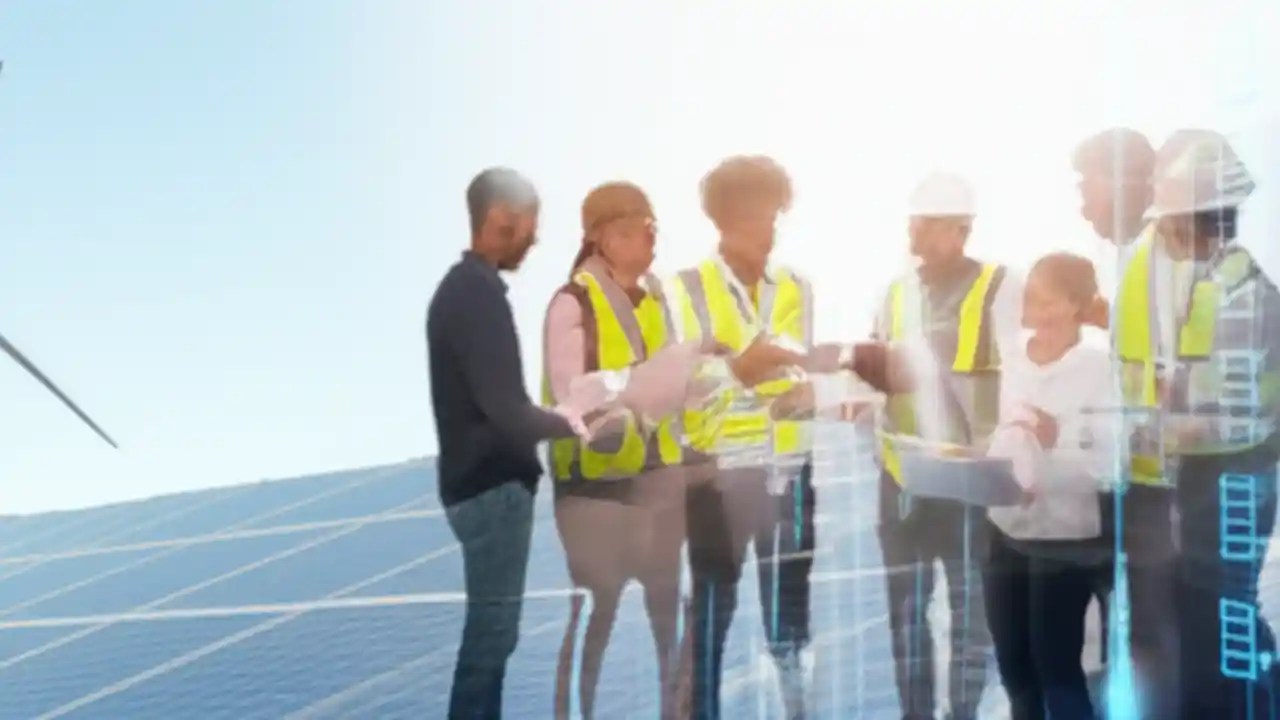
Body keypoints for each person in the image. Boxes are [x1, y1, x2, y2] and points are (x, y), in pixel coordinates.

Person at [426, 167, 596, 720]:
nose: (535, 238)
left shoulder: (462, 291)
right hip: (493, 490)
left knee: (492, 640)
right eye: (530, 226)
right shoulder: (475, 296)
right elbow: (506, 411)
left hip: (472, 487)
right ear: (505, 220)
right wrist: (569, 419)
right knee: (490, 643)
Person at [1123, 131, 1280, 719]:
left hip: (1233, 481)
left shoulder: (1238, 294)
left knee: (1225, 626)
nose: (1162, 234)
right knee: (1208, 619)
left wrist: (1155, 429)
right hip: (1214, 479)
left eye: (1166, 221)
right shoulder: (1218, 284)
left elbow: (1234, 417)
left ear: (1189, 220)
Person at [860, 172, 1022, 720]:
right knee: (905, 614)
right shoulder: (894, 291)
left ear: (962, 229)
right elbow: (877, 367)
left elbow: (1022, 373)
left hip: (968, 480)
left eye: (928, 223)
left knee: (971, 613)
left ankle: (963, 712)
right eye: (914, 220)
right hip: (903, 477)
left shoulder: (1001, 287)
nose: (916, 231)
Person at [664, 155, 816, 720]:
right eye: (760, 215)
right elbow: (676, 382)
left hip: (788, 473)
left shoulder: (797, 286)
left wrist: (803, 392)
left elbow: (800, 366)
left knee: (791, 626)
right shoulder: (683, 291)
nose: (771, 228)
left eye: (776, 214)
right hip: (716, 474)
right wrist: (737, 371)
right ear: (725, 219)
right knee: (709, 619)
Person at [542, 182, 694, 719]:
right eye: (628, 231)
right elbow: (571, 394)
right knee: (597, 615)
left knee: (668, 618)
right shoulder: (573, 302)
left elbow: (679, 384)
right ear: (597, 238)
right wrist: (636, 386)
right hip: (594, 490)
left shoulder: (659, 304)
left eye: (649, 230)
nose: (644, 242)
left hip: (659, 481)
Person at [1072, 127, 1182, 718]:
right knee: (1154, 629)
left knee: (1162, 633)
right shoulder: (1141, 254)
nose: (1082, 201)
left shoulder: (1160, 251)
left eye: (1086, 183)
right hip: (1146, 477)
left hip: (1163, 483)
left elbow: (1176, 369)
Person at [983, 252, 1119, 720]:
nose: (1035, 310)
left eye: (1047, 300)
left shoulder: (1099, 368)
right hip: (1006, 529)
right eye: (1031, 297)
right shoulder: (1012, 359)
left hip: (1066, 539)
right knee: (1014, 668)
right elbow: (1004, 436)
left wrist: (1056, 437)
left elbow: (1108, 461)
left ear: (1077, 306)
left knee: (1055, 667)